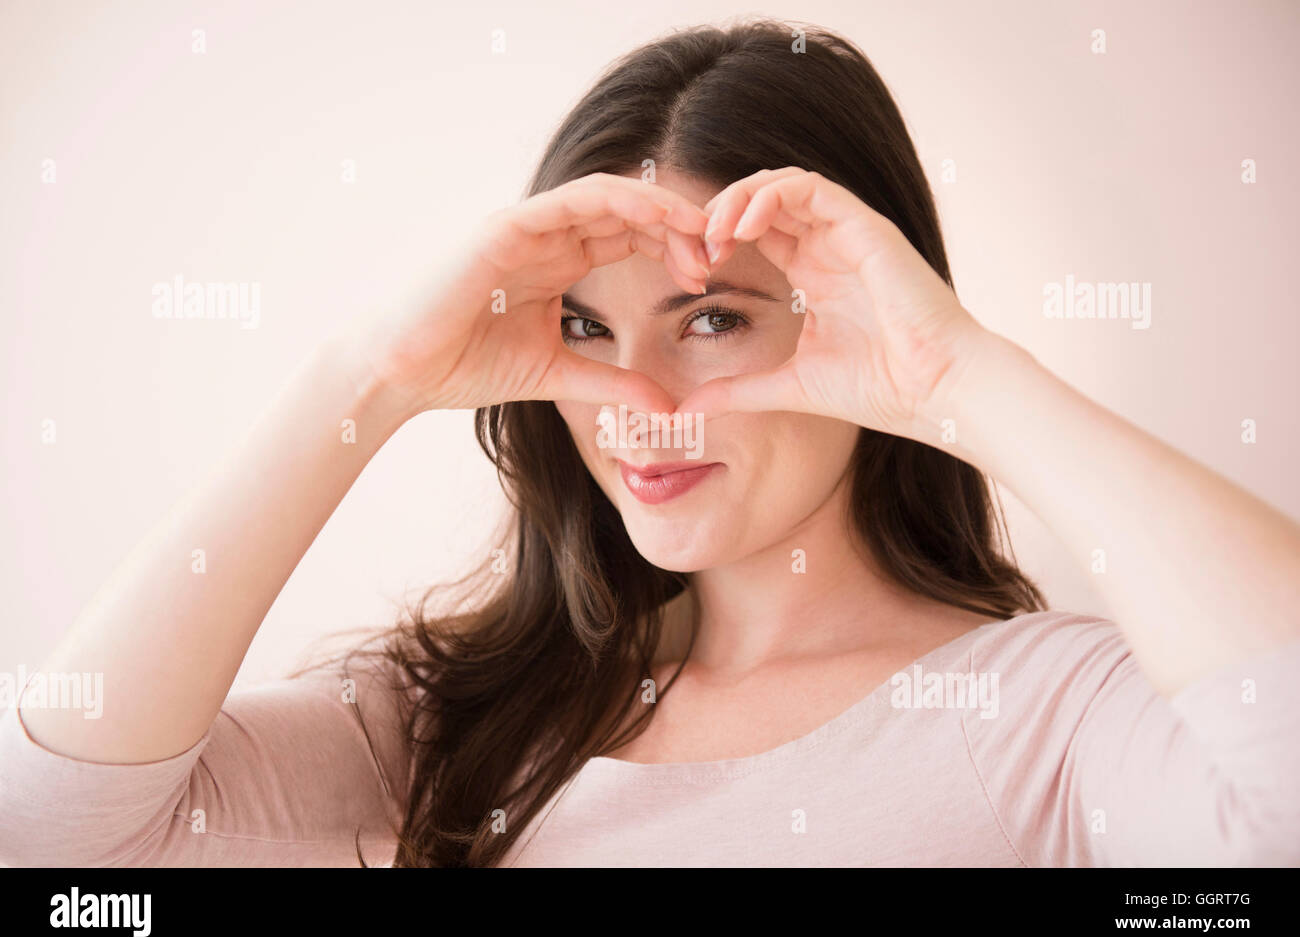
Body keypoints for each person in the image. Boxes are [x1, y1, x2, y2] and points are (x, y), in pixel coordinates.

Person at [2, 18, 1297, 868]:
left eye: (714, 317)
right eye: (587, 325)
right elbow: (55, 840)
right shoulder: (457, 722)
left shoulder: (1049, 712)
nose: (640, 395)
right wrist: (369, 373)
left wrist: (960, 372)